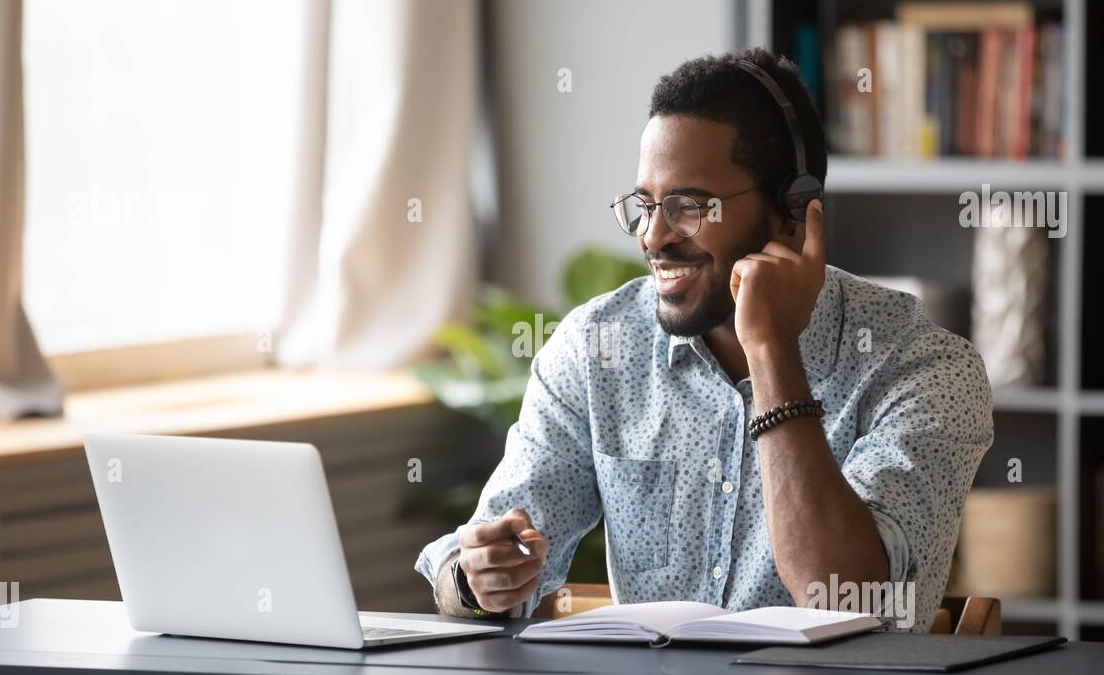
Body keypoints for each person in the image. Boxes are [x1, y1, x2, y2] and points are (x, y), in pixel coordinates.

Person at [415, 47, 993, 632]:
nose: (654, 236)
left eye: (689, 207)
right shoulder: (596, 350)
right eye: (644, 205)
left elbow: (844, 598)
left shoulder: (922, 367)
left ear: (794, 211)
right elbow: (483, 560)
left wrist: (771, 350)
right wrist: (476, 578)